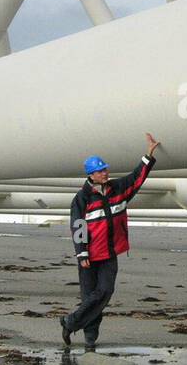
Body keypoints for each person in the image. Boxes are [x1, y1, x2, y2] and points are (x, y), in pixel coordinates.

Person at [60, 133, 161, 352]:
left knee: (104, 292)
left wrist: (148, 155)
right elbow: (78, 227)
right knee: (90, 297)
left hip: (110, 254)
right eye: (101, 171)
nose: (106, 173)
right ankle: (89, 339)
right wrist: (82, 254)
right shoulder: (81, 199)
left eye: (105, 169)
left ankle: (70, 323)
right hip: (89, 257)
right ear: (91, 175)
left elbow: (136, 178)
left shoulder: (118, 189)